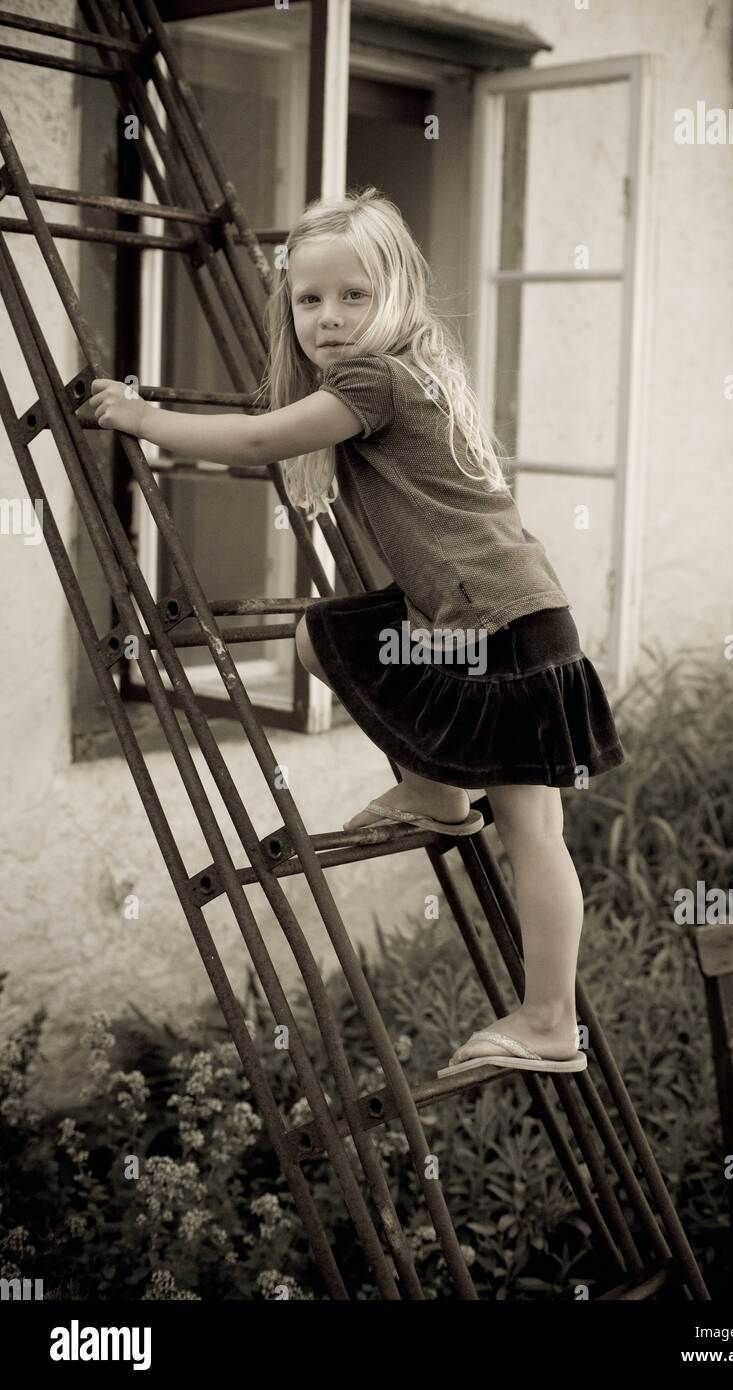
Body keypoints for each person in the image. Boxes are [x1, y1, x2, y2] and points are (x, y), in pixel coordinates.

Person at [90, 187, 626, 1080]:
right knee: (331, 635)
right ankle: (441, 801)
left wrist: (142, 420)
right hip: (512, 619)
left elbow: (262, 441)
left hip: (500, 631)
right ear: (288, 303)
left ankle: (547, 1019)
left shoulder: (373, 381)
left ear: (397, 296)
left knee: (532, 830)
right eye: (309, 300)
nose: (329, 320)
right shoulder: (417, 364)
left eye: (353, 297)